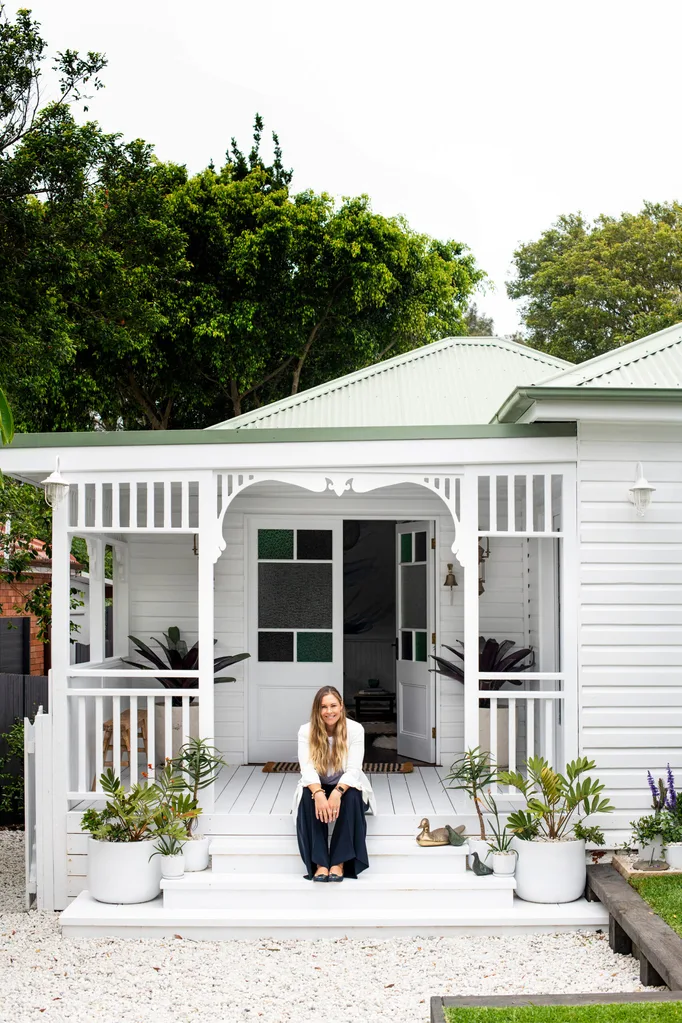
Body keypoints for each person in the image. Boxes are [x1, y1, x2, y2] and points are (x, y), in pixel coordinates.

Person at [294, 685, 376, 881]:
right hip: (318, 784)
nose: (329, 711)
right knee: (307, 796)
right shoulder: (306, 731)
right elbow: (307, 769)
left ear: (341, 706)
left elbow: (354, 770)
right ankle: (321, 863)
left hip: (346, 784)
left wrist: (337, 792)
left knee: (353, 796)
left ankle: (339, 862)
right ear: (317, 709)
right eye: (323, 707)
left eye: (333, 706)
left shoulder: (355, 729)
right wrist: (319, 794)